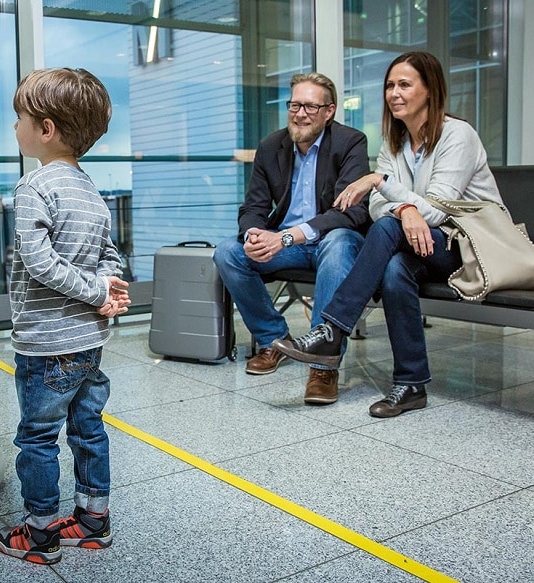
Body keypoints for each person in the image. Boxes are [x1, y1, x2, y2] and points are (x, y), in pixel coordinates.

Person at [273, 51, 504, 418]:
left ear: (430, 90)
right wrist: (404, 209)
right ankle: (411, 385)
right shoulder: (394, 142)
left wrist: (380, 182)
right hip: (419, 243)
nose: (394, 93)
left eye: (405, 85)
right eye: (390, 85)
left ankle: (332, 329)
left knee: (386, 228)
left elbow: (438, 211)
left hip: (468, 247)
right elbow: (379, 207)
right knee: (395, 270)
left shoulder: (457, 136)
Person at [0, 67, 131, 565]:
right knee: (88, 427)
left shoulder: (34, 185)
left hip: (47, 342)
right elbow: (110, 254)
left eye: (20, 118)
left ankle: (40, 532)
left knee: (37, 437)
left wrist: (97, 291)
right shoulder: (90, 188)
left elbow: (40, 263)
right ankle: (93, 520)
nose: (15, 126)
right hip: (89, 340)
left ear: (46, 129)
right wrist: (109, 288)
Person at [212, 72, 371, 405]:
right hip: (288, 246)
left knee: (339, 242)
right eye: (294, 105)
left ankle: (323, 364)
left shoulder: (350, 142)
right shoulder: (272, 146)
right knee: (228, 252)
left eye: (310, 107)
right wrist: (255, 234)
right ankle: (274, 339)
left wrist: (286, 237)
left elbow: (351, 212)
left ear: (329, 111)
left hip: (331, 242)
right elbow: (254, 206)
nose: (300, 114)